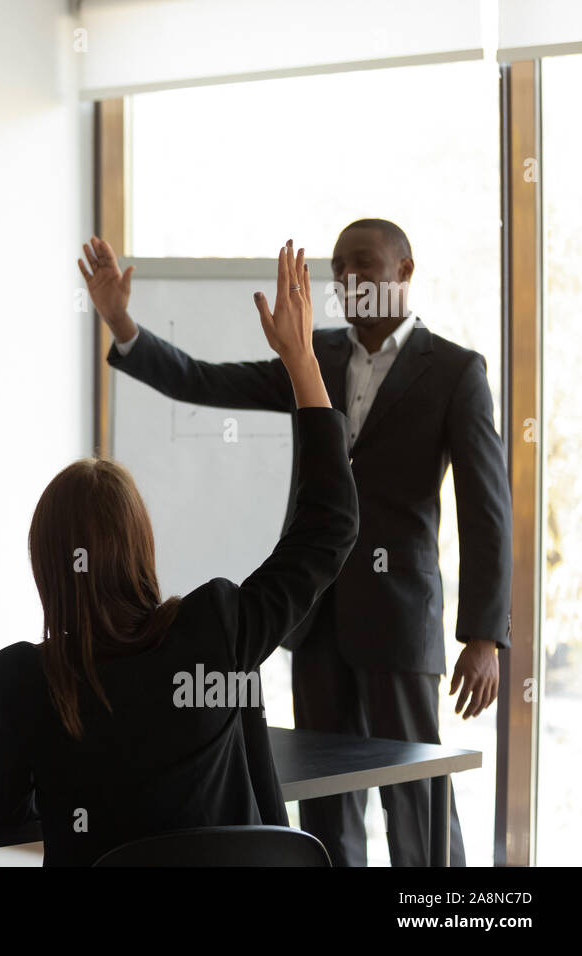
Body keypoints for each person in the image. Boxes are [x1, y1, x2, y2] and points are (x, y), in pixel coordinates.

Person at [81, 222, 511, 866]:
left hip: (400, 619)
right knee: (325, 806)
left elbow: (486, 509)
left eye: (364, 263)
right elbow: (201, 381)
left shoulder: (455, 370)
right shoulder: (311, 356)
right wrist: (122, 325)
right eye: (339, 268)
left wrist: (484, 635)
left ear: (405, 268)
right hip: (313, 619)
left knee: (416, 799)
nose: (349, 279)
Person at [0, 242, 359, 866]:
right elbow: (328, 528)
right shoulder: (215, 631)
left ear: (45, 563)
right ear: (141, 545)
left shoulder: (25, 681)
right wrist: (303, 361)